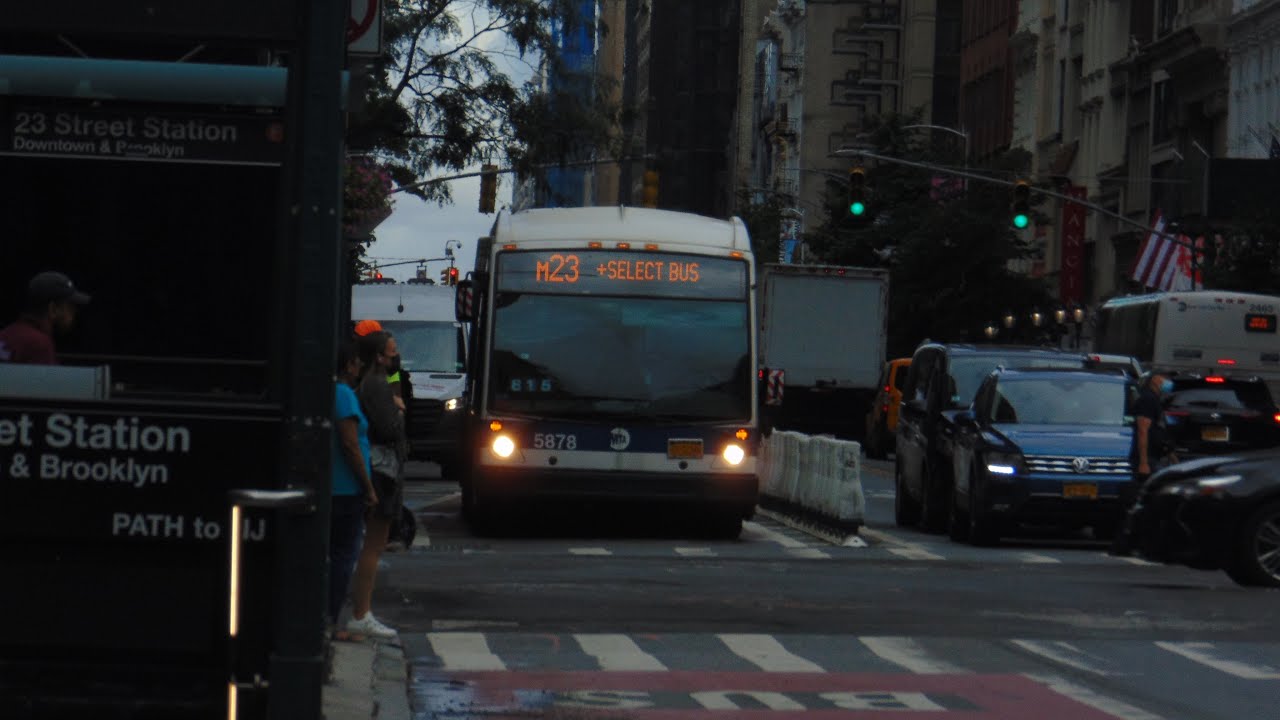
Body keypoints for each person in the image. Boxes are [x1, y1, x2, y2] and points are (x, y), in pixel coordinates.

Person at [346, 330, 407, 639]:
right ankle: (361, 612)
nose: (396, 356)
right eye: (392, 351)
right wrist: (398, 408)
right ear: (380, 356)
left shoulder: (369, 384)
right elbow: (388, 429)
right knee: (373, 544)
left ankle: (361, 611)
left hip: (379, 468)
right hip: (382, 470)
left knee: (370, 544)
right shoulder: (378, 386)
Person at [329, 340, 378, 639]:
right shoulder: (344, 395)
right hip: (345, 489)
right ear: (348, 365)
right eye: (357, 361)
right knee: (343, 558)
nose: (360, 366)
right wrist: (368, 486)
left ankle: (330, 620)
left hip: (340, 487)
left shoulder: (338, 393)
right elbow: (350, 445)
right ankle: (330, 622)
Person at [1110, 371, 1178, 556]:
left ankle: (1136, 542)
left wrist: (1172, 459)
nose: (1167, 382)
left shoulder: (1156, 401)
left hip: (1157, 458)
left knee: (1146, 502)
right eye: (1164, 378)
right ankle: (1126, 543)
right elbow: (1143, 431)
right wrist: (1144, 462)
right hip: (1149, 460)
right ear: (1154, 381)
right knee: (1142, 502)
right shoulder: (1147, 400)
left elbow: (1160, 434)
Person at [0, 271, 91, 364]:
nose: (74, 313)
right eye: (70, 307)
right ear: (53, 309)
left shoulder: (3, 335)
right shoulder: (39, 344)